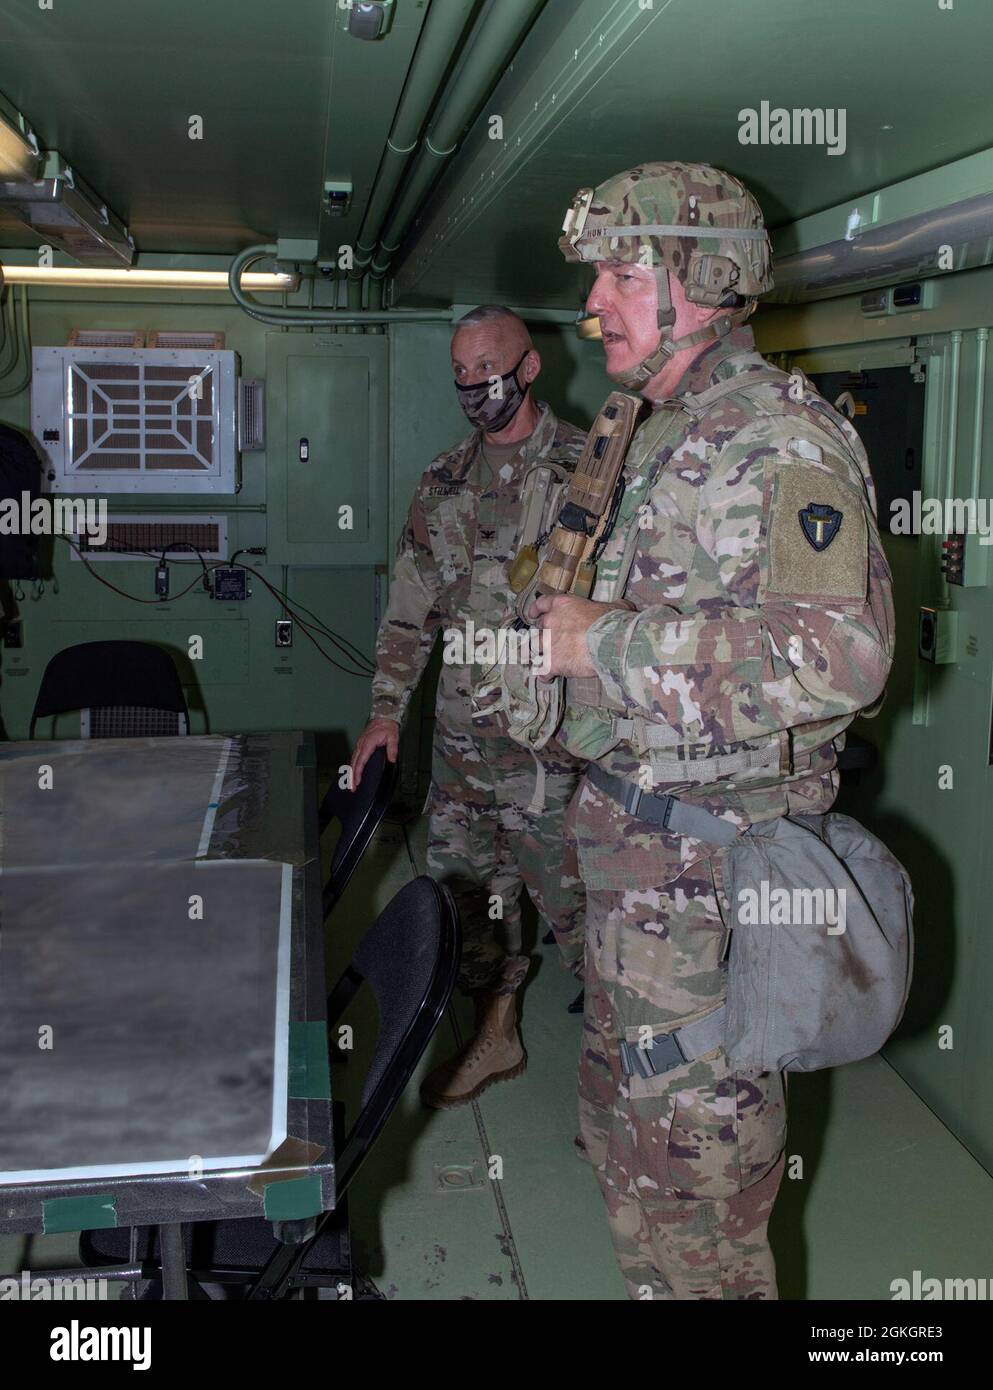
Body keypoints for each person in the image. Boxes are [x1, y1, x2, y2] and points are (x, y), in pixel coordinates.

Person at [528, 162, 894, 1298]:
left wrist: (607, 646)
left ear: (712, 280)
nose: (598, 303)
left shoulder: (778, 437)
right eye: (598, 276)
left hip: (709, 896)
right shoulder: (645, 428)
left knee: (706, 1221)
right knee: (632, 1175)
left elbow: (843, 656)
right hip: (631, 883)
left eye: (625, 273)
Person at [351, 305, 588, 1109]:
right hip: (461, 745)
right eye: (458, 372)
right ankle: (497, 1031)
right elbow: (409, 609)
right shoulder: (443, 480)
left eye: (486, 368)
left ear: (528, 368)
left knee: (587, 911)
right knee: (472, 902)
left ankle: (625, 1082)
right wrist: (387, 711)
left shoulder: (592, 473)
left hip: (556, 750)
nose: (472, 386)